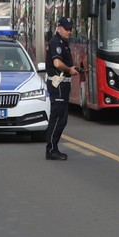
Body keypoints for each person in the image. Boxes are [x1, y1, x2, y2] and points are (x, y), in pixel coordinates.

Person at [45, 17, 82, 161]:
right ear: (59, 28)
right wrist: (69, 70)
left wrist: (73, 69)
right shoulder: (57, 42)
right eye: (66, 29)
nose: (69, 31)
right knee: (58, 117)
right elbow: (57, 63)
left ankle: (53, 148)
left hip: (63, 83)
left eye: (71, 29)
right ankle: (51, 149)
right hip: (58, 83)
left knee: (62, 118)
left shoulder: (63, 42)